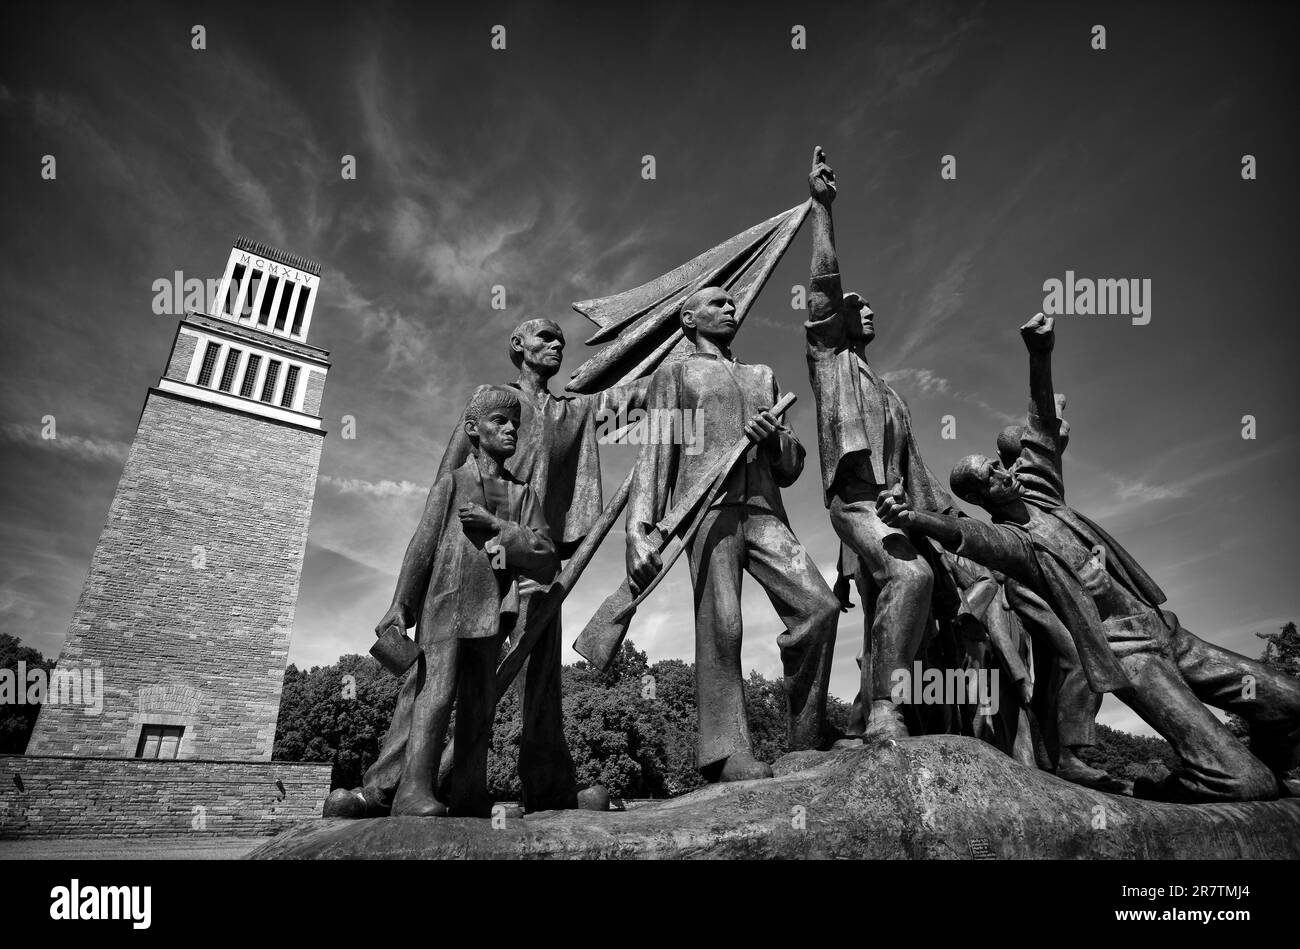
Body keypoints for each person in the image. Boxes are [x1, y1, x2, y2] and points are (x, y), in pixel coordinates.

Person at [879, 313, 1300, 802]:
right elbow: (961, 533)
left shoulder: (1043, 494)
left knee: (1289, 704)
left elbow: (1040, 422)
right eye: (990, 475)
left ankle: (1271, 775)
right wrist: (912, 518)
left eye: (998, 465)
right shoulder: (1014, 542)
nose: (1004, 472)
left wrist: (1040, 355)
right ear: (981, 494)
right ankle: (1161, 791)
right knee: (1240, 781)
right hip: (1132, 656)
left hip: (1168, 632)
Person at [625, 285, 840, 781]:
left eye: (732, 303)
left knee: (820, 607)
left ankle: (806, 740)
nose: (730, 308)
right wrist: (639, 529)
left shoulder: (761, 375)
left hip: (764, 509)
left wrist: (773, 443)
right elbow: (656, 453)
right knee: (724, 625)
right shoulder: (675, 374)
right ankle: (724, 752)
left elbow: (792, 464)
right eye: (717, 303)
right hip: (707, 511)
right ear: (688, 319)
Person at [803, 146, 962, 741]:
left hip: (898, 508)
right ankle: (882, 711)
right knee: (910, 580)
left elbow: (918, 469)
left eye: (868, 306)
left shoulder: (890, 392)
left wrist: (948, 523)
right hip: (856, 504)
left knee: (924, 601)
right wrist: (823, 211)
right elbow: (822, 287)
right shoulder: (829, 362)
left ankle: (873, 711)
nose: (864, 310)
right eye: (854, 307)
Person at [383, 385, 556, 817]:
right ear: (474, 429)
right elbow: (421, 546)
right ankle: (411, 791)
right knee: (436, 694)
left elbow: (545, 554)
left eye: (515, 423)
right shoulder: (453, 482)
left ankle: (469, 792)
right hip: (445, 601)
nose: (511, 429)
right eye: (500, 421)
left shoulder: (521, 494)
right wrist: (400, 603)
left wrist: (495, 522)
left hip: (493, 609)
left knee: (480, 704)